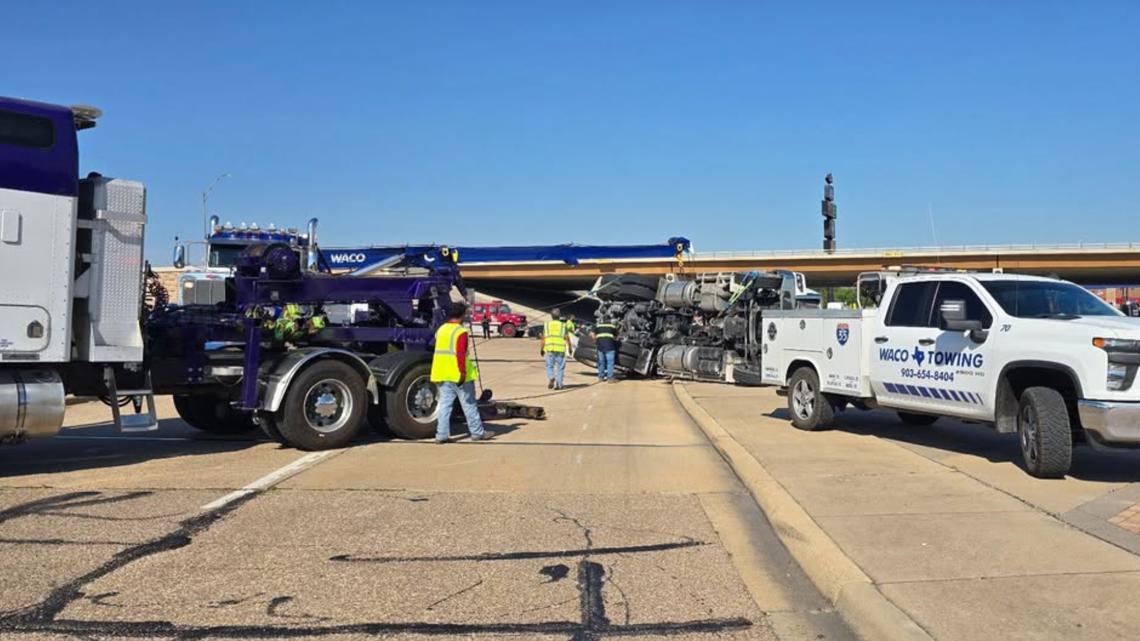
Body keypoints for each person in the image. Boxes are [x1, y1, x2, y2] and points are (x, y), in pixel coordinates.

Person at [430, 302, 490, 444]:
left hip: (442, 372)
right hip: (458, 375)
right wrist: (462, 372)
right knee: (468, 404)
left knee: (445, 405)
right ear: (462, 315)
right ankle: (477, 433)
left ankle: (441, 435)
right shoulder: (460, 332)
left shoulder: (441, 329)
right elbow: (460, 354)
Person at [541, 308, 571, 389]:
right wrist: (570, 348)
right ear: (559, 316)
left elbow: (543, 338)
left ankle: (551, 377)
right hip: (560, 349)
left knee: (549, 366)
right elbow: (567, 337)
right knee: (560, 367)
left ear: (551, 316)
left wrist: (542, 349)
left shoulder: (547, 325)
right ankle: (559, 384)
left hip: (549, 348)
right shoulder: (563, 325)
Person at [590, 316, 618, 382]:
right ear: (609, 320)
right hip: (610, 347)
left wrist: (595, 341)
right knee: (610, 363)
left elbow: (591, 334)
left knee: (601, 362)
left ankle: (601, 377)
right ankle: (610, 378)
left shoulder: (598, 326)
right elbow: (616, 336)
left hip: (600, 347)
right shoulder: (612, 326)